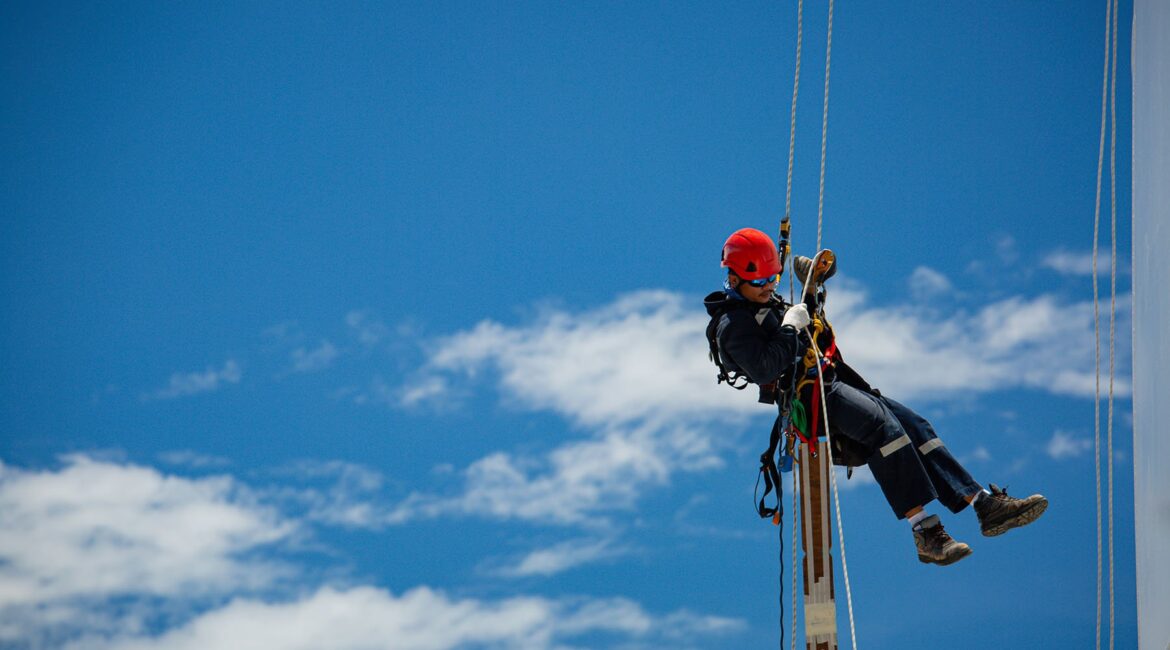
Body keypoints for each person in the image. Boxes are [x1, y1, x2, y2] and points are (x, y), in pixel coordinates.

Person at [704, 227, 1048, 565]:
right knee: (883, 430)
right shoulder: (733, 326)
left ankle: (983, 504)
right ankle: (926, 533)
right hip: (810, 398)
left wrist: (813, 290)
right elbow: (765, 368)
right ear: (734, 281)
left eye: (772, 280)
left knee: (915, 427)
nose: (768, 288)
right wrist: (792, 327)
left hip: (831, 380)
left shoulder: (766, 305)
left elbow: (807, 335)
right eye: (760, 282)